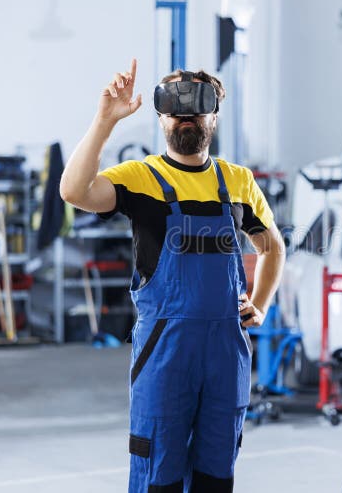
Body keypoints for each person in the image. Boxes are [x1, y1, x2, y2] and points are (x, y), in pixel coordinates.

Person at [60, 59, 285, 493]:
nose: (185, 115)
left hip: (226, 354)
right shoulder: (141, 177)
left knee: (216, 475)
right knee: (157, 475)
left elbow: (272, 245)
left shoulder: (236, 181)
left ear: (213, 115)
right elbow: (73, 191)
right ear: (162, 117)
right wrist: (105, 120)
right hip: (165, 354)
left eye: (197, 105)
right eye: (173, 106)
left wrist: (261, 302)